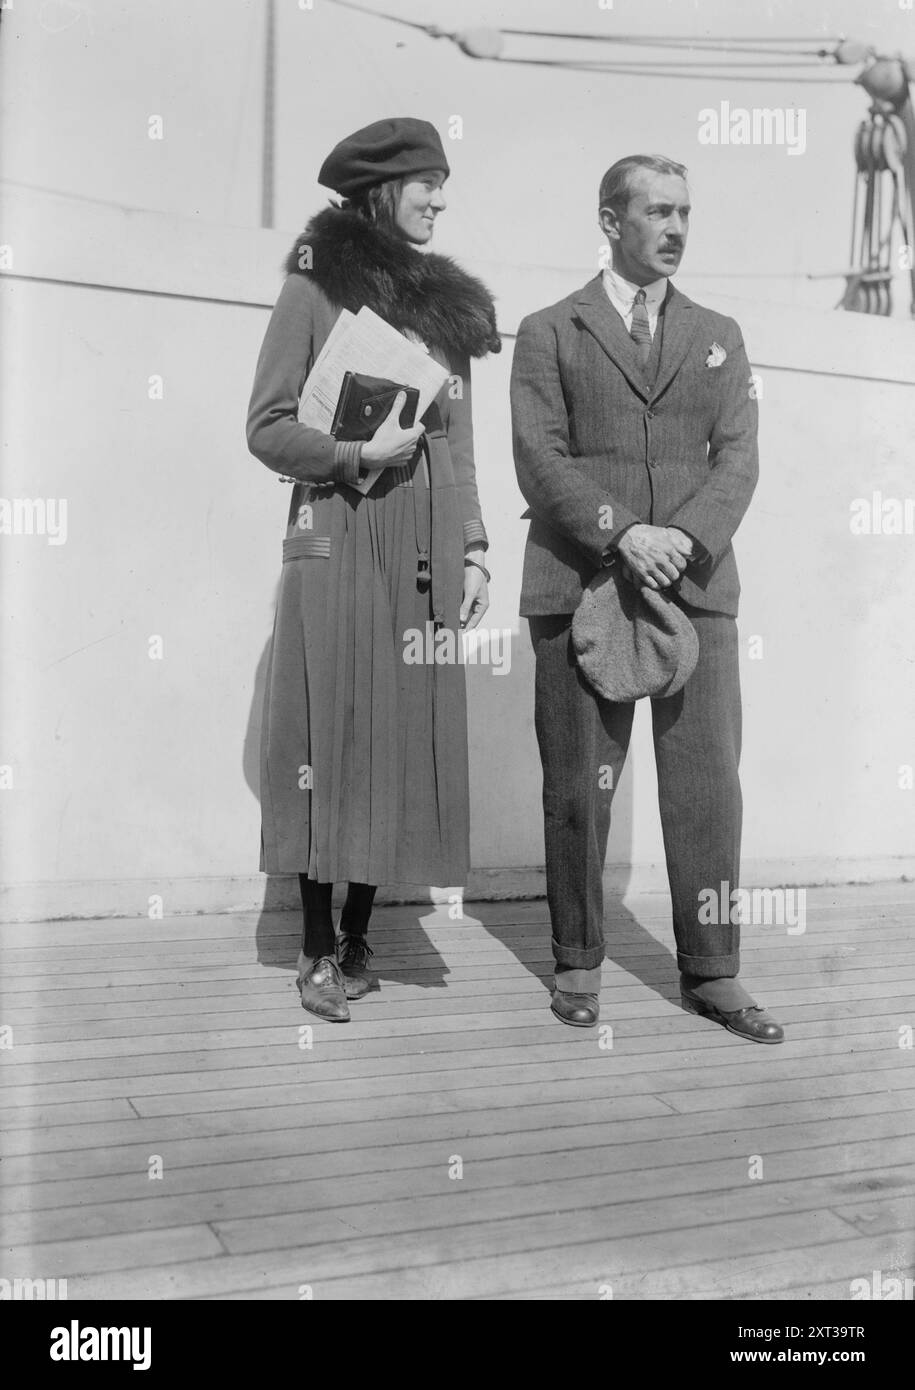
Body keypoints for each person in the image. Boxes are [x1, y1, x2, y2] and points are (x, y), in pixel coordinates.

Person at [510, 153, 783, 1043]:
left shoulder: (719, 333)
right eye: (657, 211)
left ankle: (713, 972)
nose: (674, 228)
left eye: (684, 213)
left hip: (694, 588)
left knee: (706, 789)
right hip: (580, 580)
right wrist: (624, 531)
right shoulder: (548, 330)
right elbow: (539, 456)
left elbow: (737, 458)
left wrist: (683, 541)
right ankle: (576, 962)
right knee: (576, 789)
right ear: (609, 220)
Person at [247, 117, 500, 1022]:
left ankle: (359, 934)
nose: (440, 200)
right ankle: (316, 946)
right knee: (330, 737)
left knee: (396, 733)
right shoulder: (312, 288)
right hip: (337, 532)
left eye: (443, 183)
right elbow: (266, 426)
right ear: (380, 192)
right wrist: (355, 454)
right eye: (426, 183)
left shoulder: (446, 311)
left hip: (421, 544)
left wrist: (473, 548)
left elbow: (457, 445)